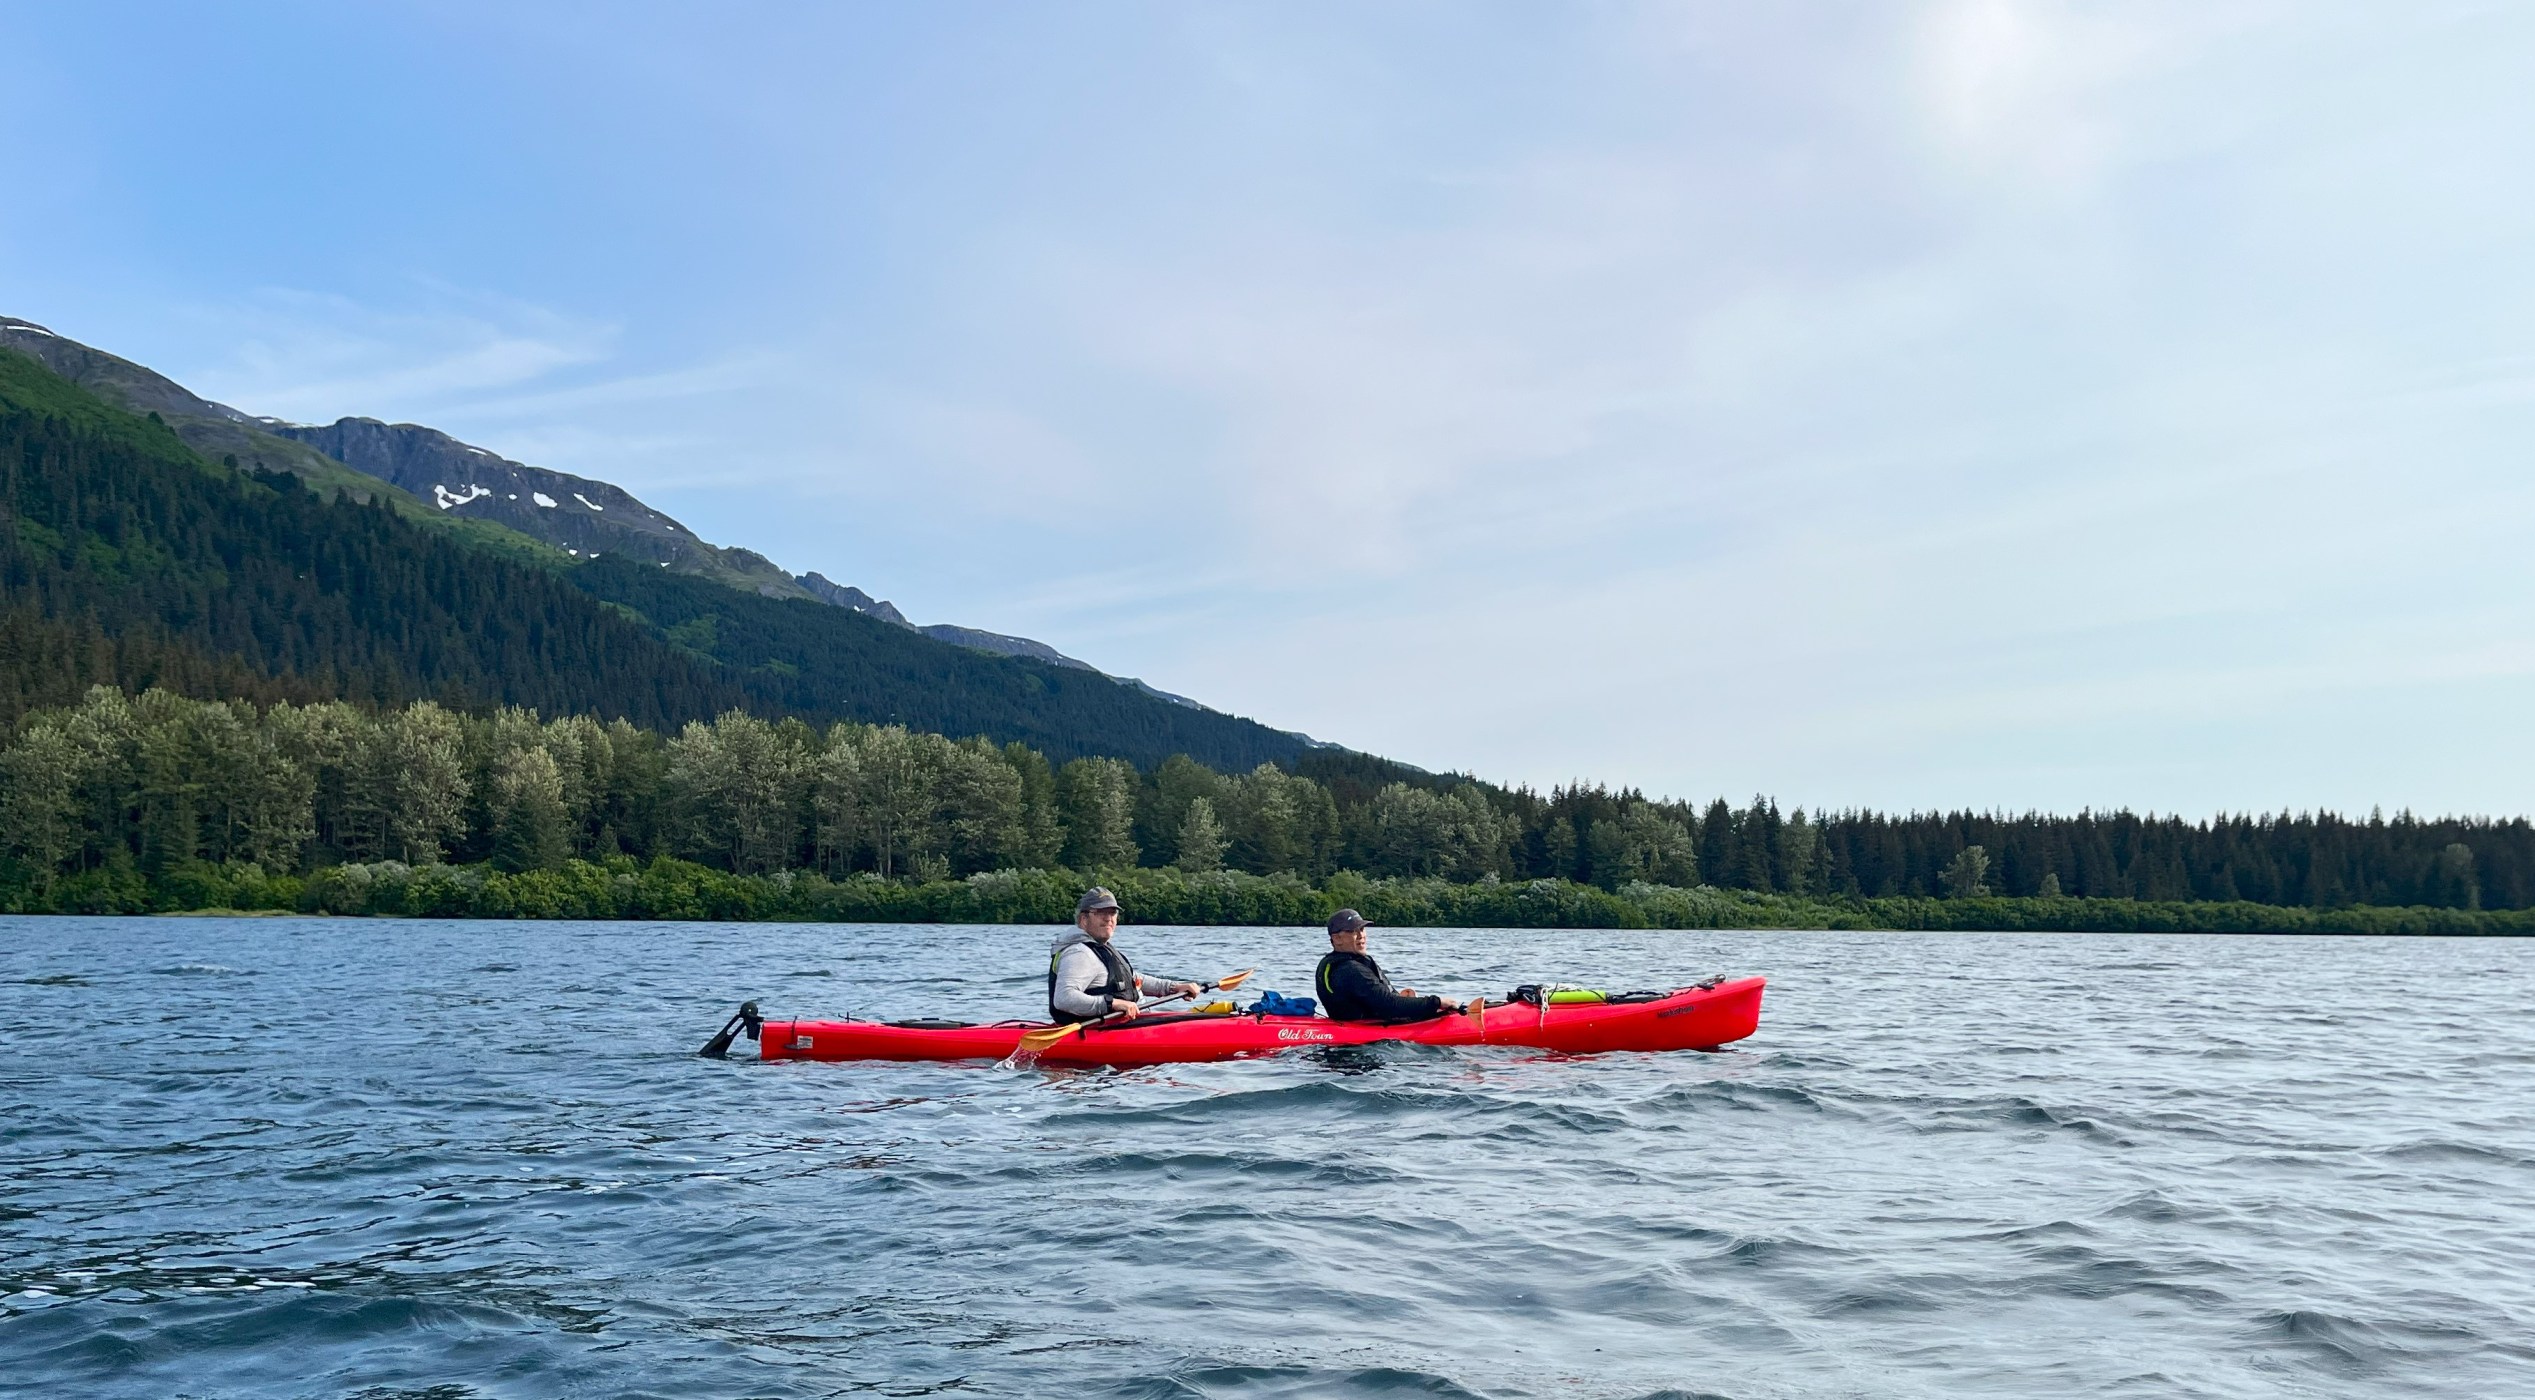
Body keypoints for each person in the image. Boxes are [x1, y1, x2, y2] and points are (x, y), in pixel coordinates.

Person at [1047, 886, 1199, 1024]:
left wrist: (1173, 987)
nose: (1108, 918)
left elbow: (1132, 980)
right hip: (1098, 1031)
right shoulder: (1079, 953)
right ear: (1083, 919)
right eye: (1100, 912)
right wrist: (1112, 1003)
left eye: (1112, 912)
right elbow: (1063, 999)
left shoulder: (1100, 948)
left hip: (1127, 1025)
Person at [1315, 909, 1464, 1022]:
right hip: (1368, 1034)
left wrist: (1406, 1000)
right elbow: (1389, 1005)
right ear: (1337, 938)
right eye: (1353, 931)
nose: (1361, 935)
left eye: (1362, 929)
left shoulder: (1333, 963)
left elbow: (1379, 1000)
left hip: (1362, 1024)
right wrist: (1437, 1002)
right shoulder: (1350, 970)